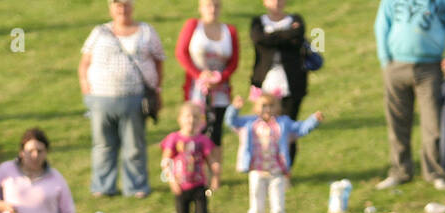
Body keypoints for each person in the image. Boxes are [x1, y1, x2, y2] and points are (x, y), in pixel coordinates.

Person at [373, 0, 445, 190]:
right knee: (397, 122)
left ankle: (434, 173)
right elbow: (381, 24)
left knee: (433, 124)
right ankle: (400, 171)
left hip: (430, 68)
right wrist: (385, 60)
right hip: (396, 66)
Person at [79, 0, 165, 199]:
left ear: (132, 6)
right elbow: (84, 63)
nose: (122, 9)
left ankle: (135, 186)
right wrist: (86, 87)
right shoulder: (99, 32)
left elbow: (159, 60)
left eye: (126, 4)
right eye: (117, 5)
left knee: (134, 145)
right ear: (111, 7)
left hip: (134, 98)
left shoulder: (146, 32)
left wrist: (157, 89)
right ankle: (102, 185)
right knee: (103, 144)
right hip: (102, 99)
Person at [224, 93, 323, 213]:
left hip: (276, 172)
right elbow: (231, 121)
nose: (267, 109)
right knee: (256, 205)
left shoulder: (283, 124)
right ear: (256, 107)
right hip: (257, 171)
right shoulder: (250, 123)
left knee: (277, 206)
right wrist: (234, 108)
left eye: (271, 106)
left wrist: (313, 120)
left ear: (277, 108)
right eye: (263, 106)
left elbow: (301, 128)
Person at [249, 0, 312, 168]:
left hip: (292, 85)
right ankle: (264, 166)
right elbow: (259, 38)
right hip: (265, 84)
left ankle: (286, 169)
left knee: (288, 129)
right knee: (265, 129)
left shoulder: (296, 19)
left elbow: (297, 36)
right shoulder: (258, 22)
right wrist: (286, 35)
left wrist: (271, 37)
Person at [160, 102, 220, 213]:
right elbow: (166, 162)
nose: (191, 120)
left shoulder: (202, 140)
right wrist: (172, 181)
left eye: (195, 117)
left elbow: (211, 160)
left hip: (199, 185)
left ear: (200, 121)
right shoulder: (174, 138)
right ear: (180, 119)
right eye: (187, 116)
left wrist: (215, 176)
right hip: (181, 185)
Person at [176, 0, 240, 146]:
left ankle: (214, 166)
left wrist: (219, 78)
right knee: (194, 130)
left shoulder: (229, 31)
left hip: (220, 91)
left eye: (216, 5)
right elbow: (181, 53)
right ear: (200, 7)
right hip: (196, 90)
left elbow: (234, 62)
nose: (212, 9)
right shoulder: (193, 26)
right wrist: (199, 75)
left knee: (215, 133)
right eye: (208, 5)